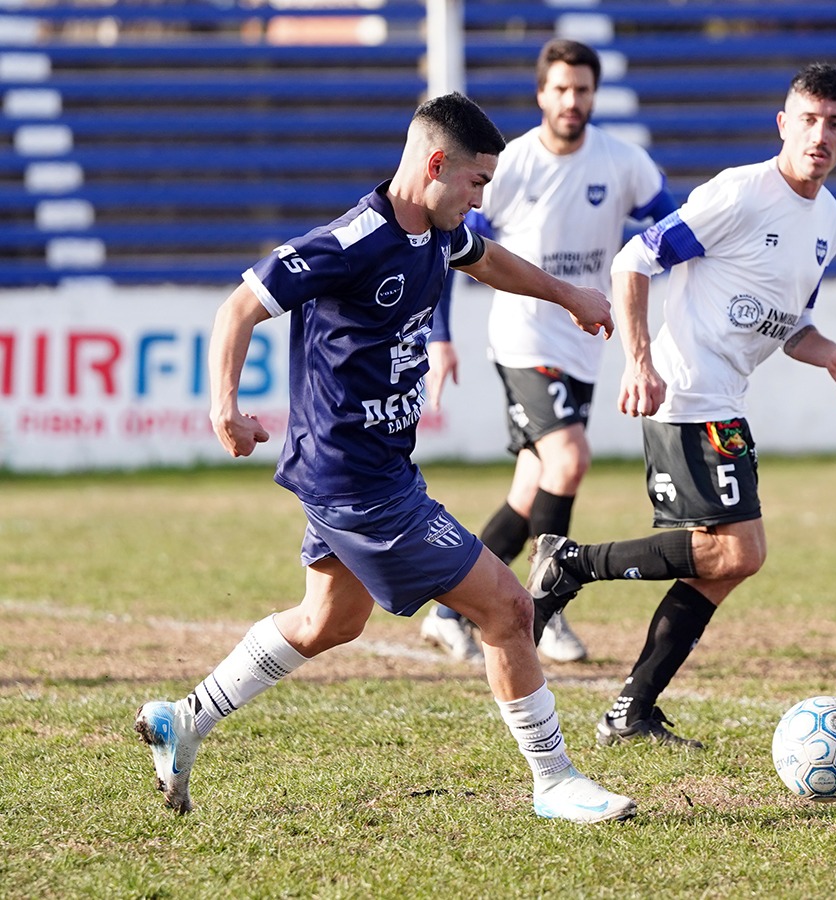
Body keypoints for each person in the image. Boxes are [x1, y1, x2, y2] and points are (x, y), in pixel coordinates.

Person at [133, 92, 638, 824]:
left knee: (329, 621)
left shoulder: (436, 233)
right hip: (357, 483)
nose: (480, 199)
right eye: (476, 182)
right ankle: (555, 780)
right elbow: (237, 308)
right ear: (436, 165)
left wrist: (567, 296)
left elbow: (488, 259)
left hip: (371, 470)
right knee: (508, 607)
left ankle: (185, 720)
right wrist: (225, 408)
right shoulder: (351, 242)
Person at [525, 62, 836, 748]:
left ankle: (630, 709)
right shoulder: (741, 193)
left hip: (723, 398)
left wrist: (832, 353)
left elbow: (793, 327)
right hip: (686, 390)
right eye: (808, 120)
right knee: (737, 551)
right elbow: (634, 259)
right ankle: (572, 566)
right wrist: (640, 362)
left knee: (729, 560)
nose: (820, 135)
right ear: (784, 124)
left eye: (834, 123)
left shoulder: (829, 222)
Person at [420, 39, 677, 666]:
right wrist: (440, 334)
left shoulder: (623, 162)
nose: (571, 100)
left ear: (594, 95)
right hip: (524, 337)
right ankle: (545, 609)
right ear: (542, 94)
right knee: (569, 459)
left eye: (582, 90)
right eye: (560, 89)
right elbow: (453, 246)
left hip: (584, 345)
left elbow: (670, 229)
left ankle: (447, 612)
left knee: (530, 492)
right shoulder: (511, 166)